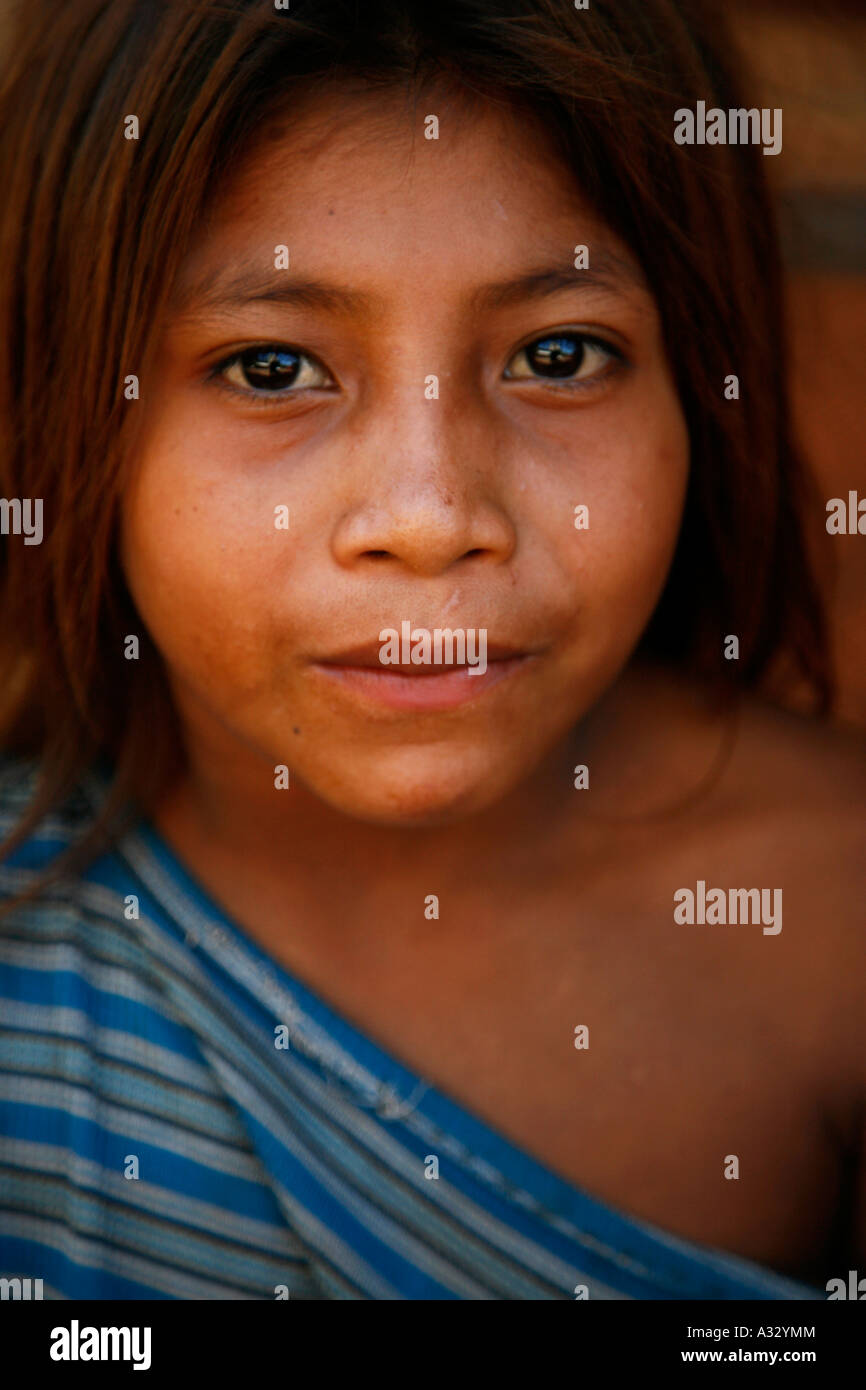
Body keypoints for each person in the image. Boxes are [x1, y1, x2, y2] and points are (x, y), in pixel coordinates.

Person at [0, 0, 863, 1300]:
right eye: (270, 367)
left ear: (699, 391)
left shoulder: (836, 918)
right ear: (71, 418)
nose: (430, 516)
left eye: (559, 355)